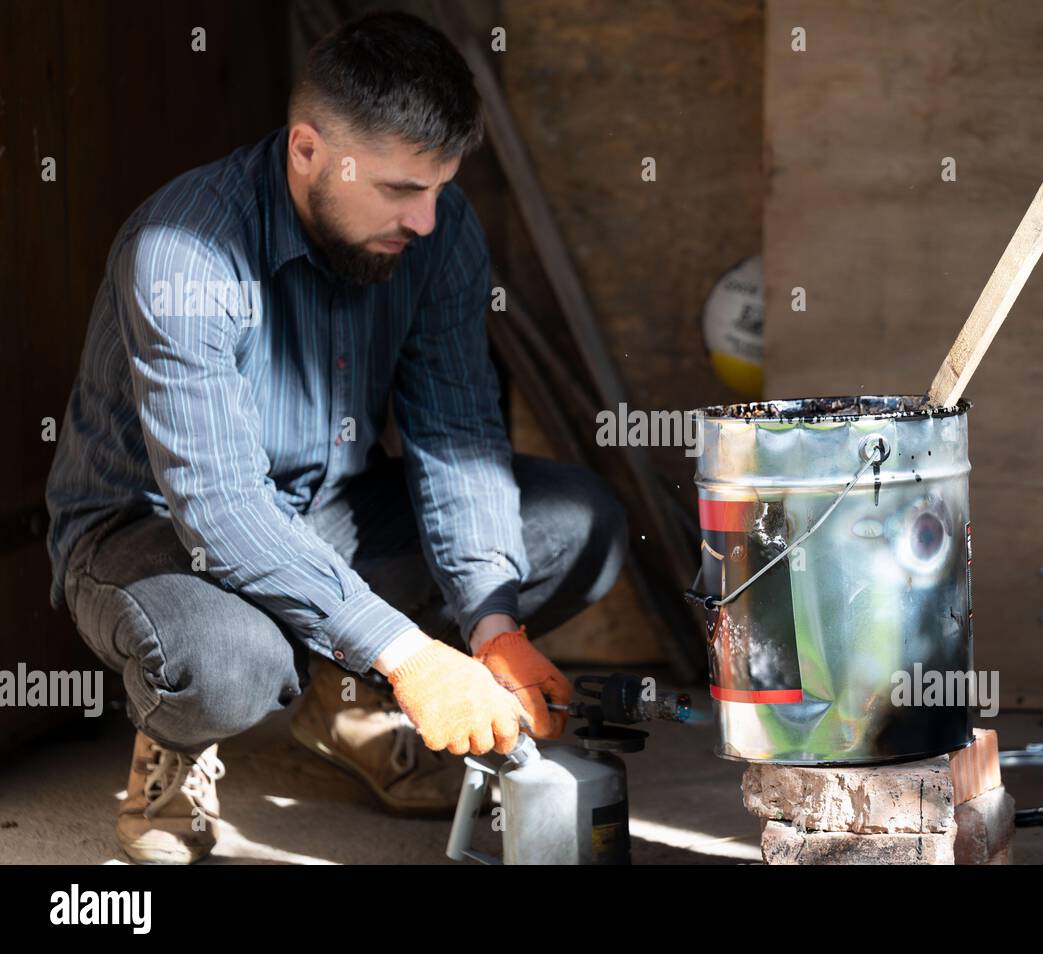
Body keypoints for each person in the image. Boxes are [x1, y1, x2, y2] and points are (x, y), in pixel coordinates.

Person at [44, 10, 627, 865]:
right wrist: (410, 655)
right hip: (156, 537)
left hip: (331, 513)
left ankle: (342, 701)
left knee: (578, 528)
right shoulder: (182, 250)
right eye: (400, 191)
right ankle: (181, 738)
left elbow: (457, 435)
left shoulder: (441, 230)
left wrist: (492, 624)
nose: (427, 220)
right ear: (308, 150)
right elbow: (220, 510)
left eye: (440, 187)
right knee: (230, 664)